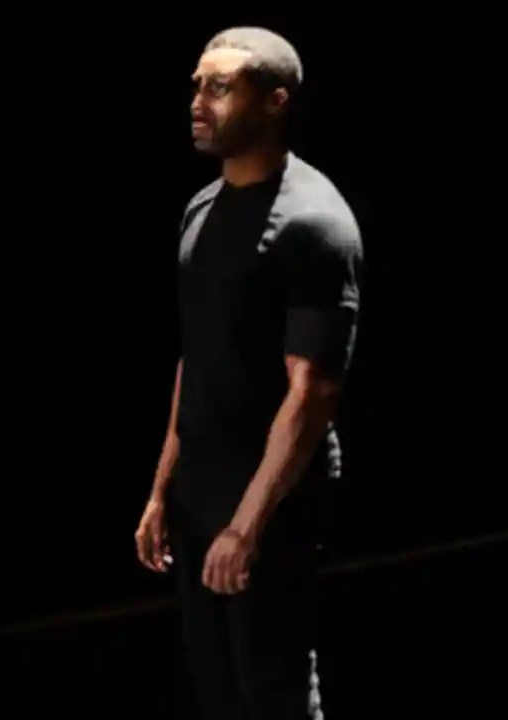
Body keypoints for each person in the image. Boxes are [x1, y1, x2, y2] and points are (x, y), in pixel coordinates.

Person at [134, 26, 362, 719]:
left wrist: (247, 525)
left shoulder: (312, 224)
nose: (199, 102)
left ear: (274, 101)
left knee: (275, 685)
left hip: (269, 492)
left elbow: (312, 393)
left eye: (221, 87)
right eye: (198, 85)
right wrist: (162, 489)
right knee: (215, 685)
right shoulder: (200, 209)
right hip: (201, 487)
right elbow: (197, 355)